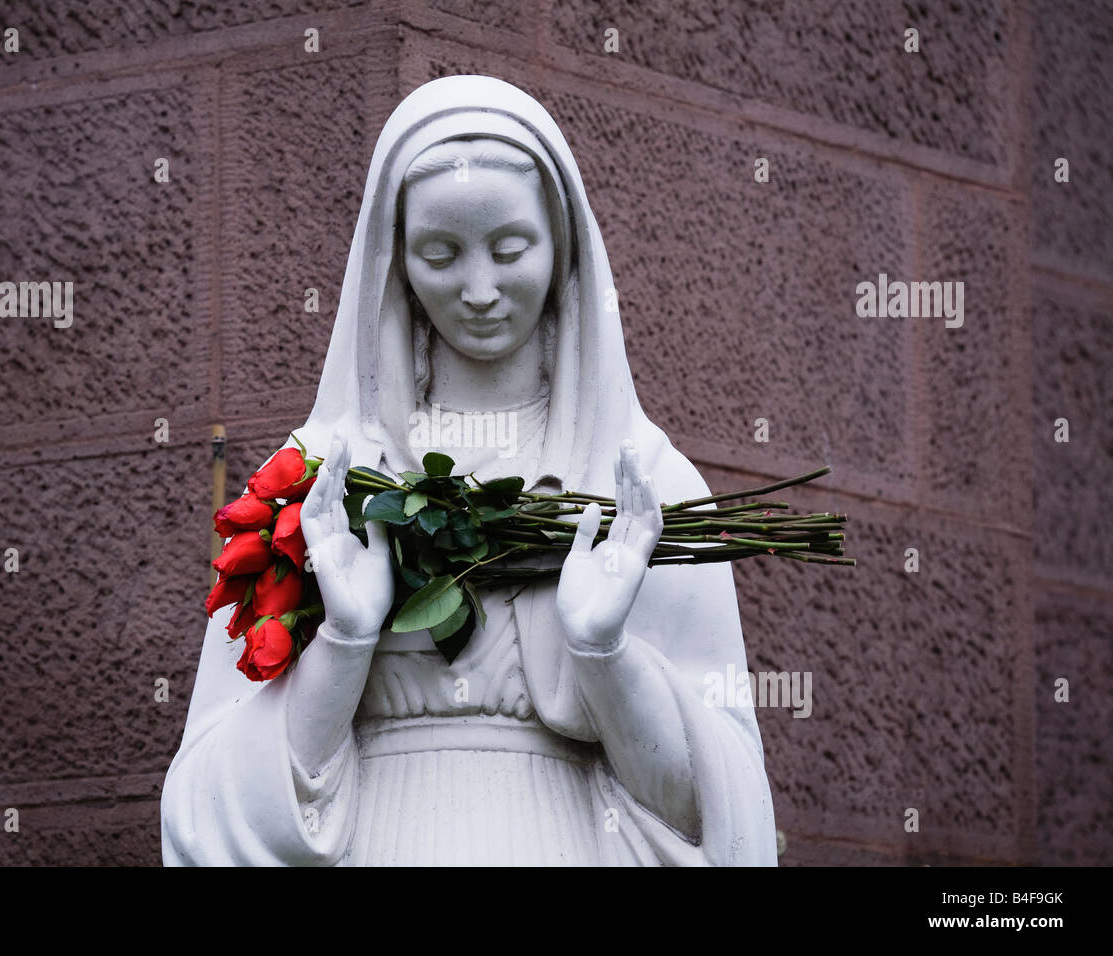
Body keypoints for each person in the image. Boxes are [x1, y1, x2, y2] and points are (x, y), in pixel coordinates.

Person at [161, 75, 777, 865]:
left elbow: (723, 811)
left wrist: (605, 655)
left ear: (561, 249)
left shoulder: (643, 485)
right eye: (441, 254)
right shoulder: (320, 484)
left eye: (511, 249)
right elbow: (207, 805)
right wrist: (346, 641)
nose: (480, 290)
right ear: (398, 261)